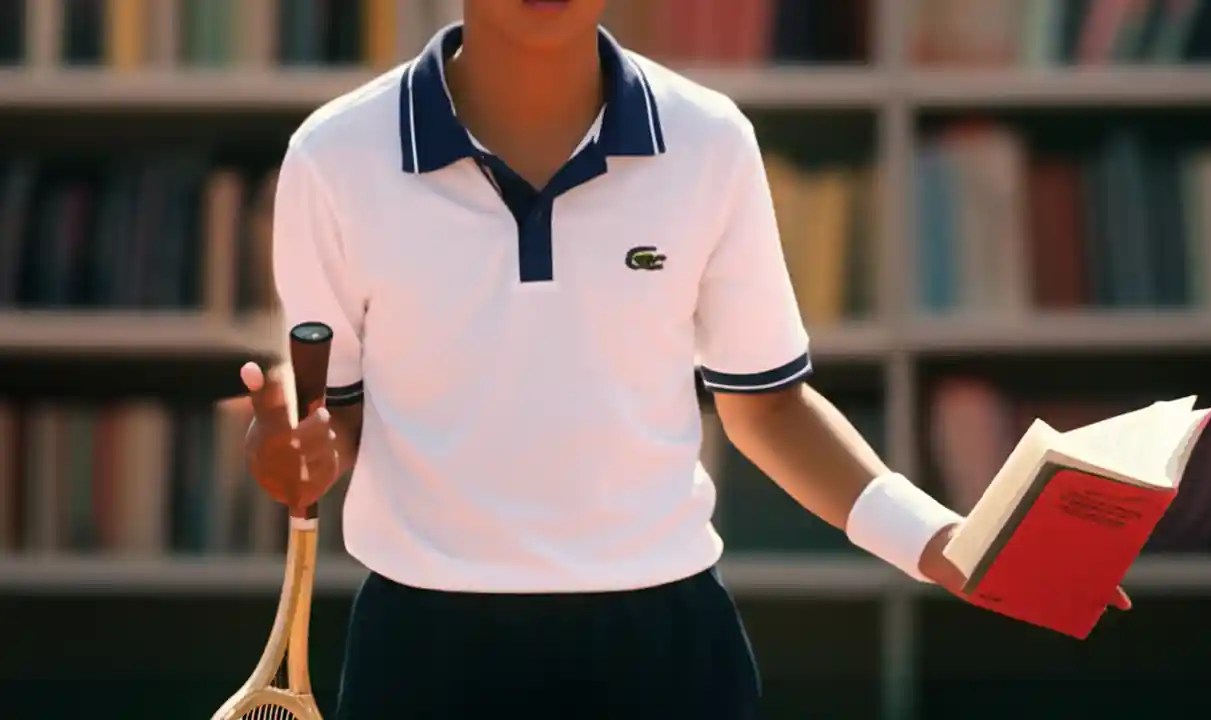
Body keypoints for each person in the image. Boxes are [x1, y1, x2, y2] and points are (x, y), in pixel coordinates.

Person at [239, 1, 1130, 717]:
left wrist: (939, 542)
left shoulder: (710, 142)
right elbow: (334, 414)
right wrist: (293, 456)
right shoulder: (334, 159)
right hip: (424, 647)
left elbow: (769, 403)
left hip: (666, 646)